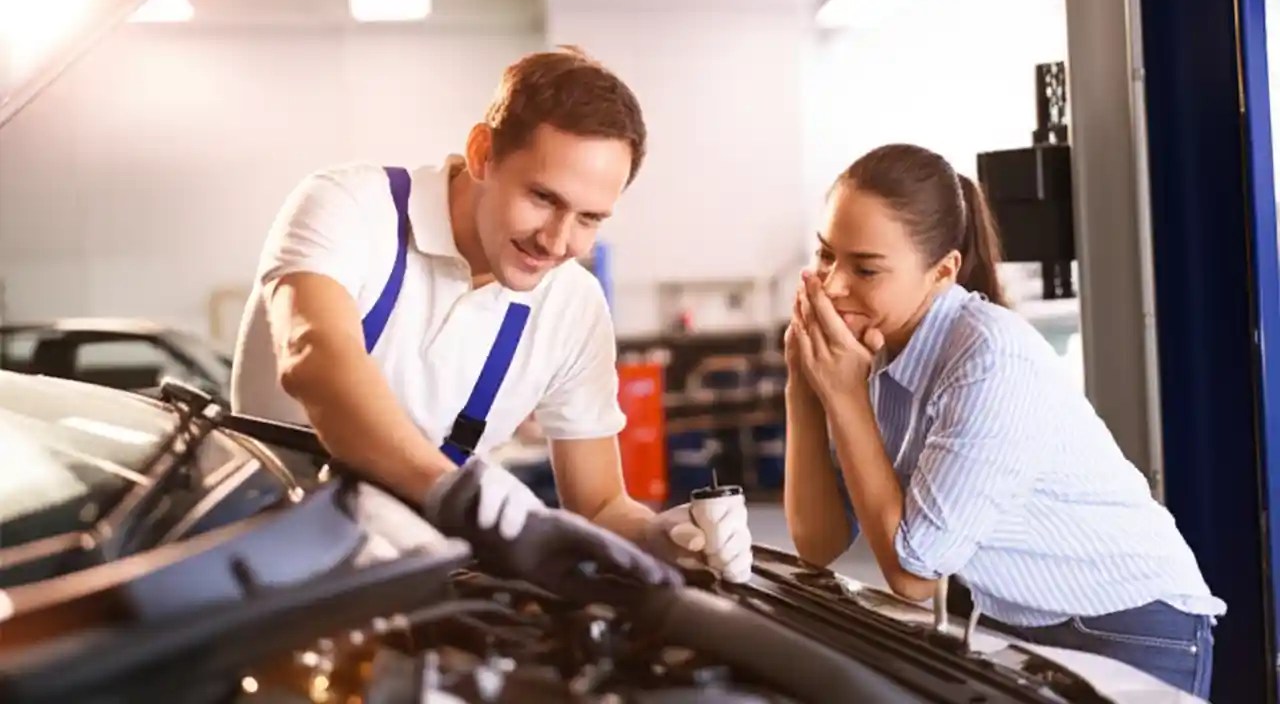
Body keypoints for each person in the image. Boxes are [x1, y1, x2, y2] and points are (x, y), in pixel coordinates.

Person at [230, 47, 753, 601]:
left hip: (401, 575)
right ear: (483, 153)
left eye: (589, 218)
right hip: (246, 560)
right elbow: (315, 358)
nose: (556, 241)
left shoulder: (574, 306)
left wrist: (660, 537)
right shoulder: (349, 207)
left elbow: (599, 504)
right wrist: (456, 493)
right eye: (542, 198)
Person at [782, 143, 1224, 698]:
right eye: (826, 256)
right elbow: (818, 542)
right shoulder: (871, 350)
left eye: (865, 268)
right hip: (1012, 621)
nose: (834, 285)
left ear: (942, 271)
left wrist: (844, 395)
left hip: (1124, 623)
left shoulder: (988, 356)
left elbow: (914, 576)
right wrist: (803, 385)